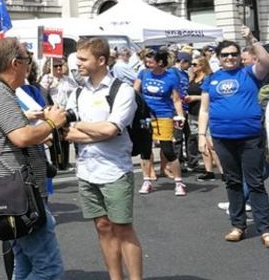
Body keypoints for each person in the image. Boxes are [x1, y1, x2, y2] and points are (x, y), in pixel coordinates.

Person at [0, 38, 68, 280]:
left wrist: (35, 123)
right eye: (27, 60)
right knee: (49, 269)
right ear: (15, 63)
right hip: (18, 193)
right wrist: (52, 123)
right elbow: (22, 137)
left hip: (10, 191)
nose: (30, 65)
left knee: (24, 265)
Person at [66, 38, 143, 280]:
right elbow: (67, 133)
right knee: (102, 227)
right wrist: (96, 131)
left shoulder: (123, 90)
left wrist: (80, 126)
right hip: (86, 170)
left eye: (83, 59)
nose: (77, 63)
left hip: (114, 170)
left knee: (122, 228)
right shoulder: (78, 92)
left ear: (101, 60)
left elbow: (111, 129)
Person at [198, 29, 269, 246]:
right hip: (222, 138)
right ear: (218, 58)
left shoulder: (250, 73)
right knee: (233, 182)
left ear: (240, 56)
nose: (230, 57)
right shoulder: (211, 79)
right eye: (225, 55)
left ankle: (265, 229)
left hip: (251, 137)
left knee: (255, 182)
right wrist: (201, 135)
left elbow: (266, 60)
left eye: (234, 54)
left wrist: (251, 40)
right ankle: (238, 226)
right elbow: (204, 110)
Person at [135, 49, 187, 196]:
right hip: (146, 116)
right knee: (145, 149)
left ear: (160, 62)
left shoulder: (171, 77)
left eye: (151, 62)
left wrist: (180, 116)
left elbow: (176, 99)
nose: (148, 64)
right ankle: (147, 180)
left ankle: (178, 182)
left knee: (167, 149)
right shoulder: (143, 74)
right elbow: (134, 92)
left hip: (164, 115)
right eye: (146, 61)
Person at [40, 57, 77, 171]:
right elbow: (42, 94)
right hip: (54, 111)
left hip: (65, 111)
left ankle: (65, 162)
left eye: (60, 65)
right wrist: (48, 85)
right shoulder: (47, 78)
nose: (59, 68)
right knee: (55, 138)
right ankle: (56, 162)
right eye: (56, 66)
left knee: (66, 137)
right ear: (50, 67)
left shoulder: (67, 80)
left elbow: (76, 91)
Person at [186, 53, 219, 181]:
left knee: (211, 145)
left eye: (194, 64)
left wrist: (195, 97)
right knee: (202, 144)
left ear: (202, 65)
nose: (192, 66)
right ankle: (208, 171)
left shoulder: (209, 78)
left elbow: (212, 95)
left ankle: (223, 171)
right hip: (193, 113)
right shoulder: (193, 78)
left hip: (206, 113)